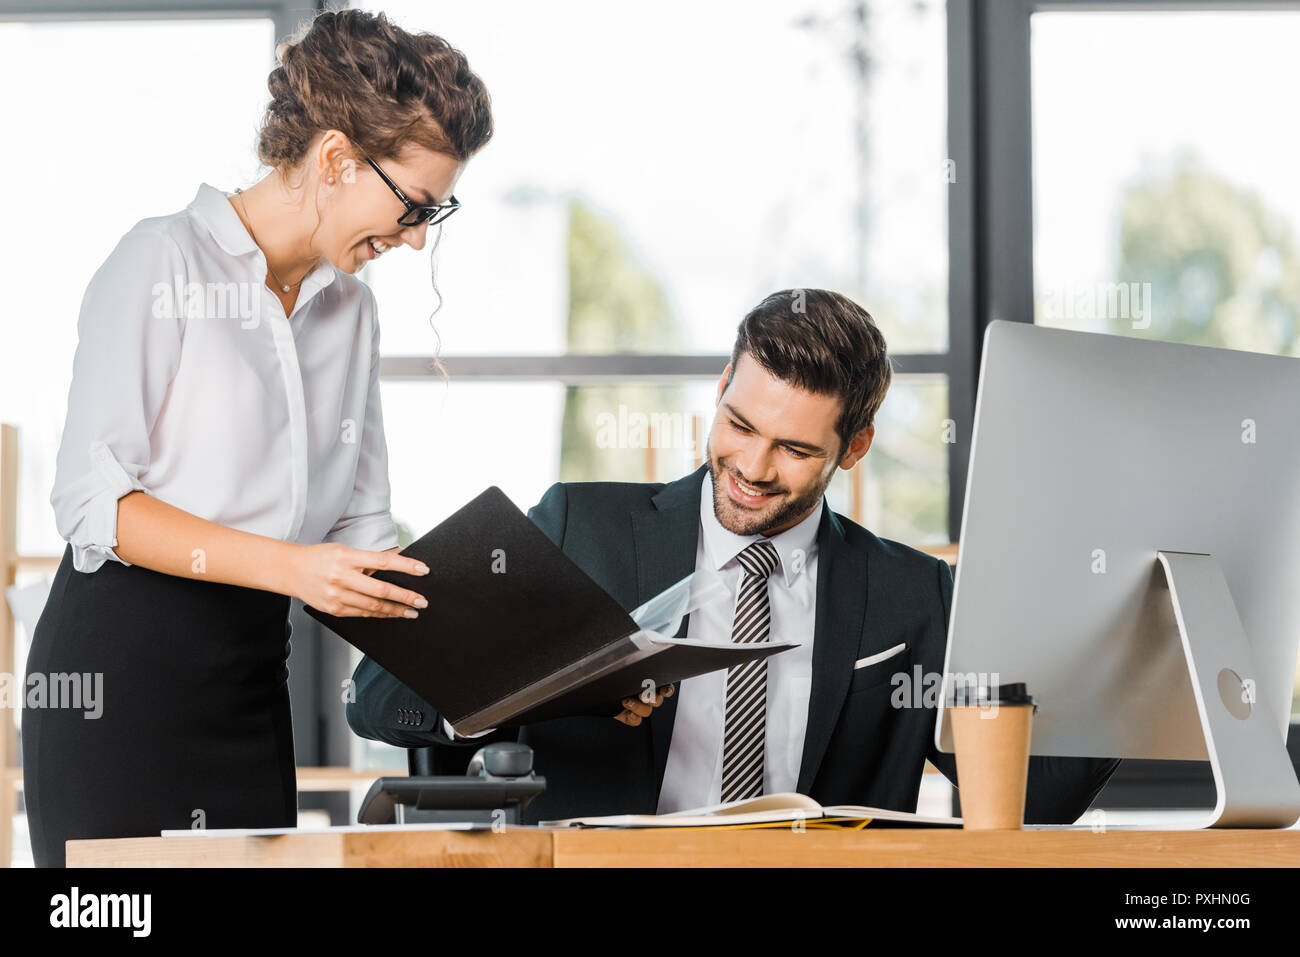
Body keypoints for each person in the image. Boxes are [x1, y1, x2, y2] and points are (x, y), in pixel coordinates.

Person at [346, 289, 1122, 823]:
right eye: (739, 423)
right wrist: (541, 689)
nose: (752, 465)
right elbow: (379, 698)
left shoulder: (915, 594)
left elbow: (1041, 796)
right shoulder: (583, 527)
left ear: (854, 448)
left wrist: (1125, 628)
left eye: (792, 448)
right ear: (721, 385)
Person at [23, 9, 493, 867]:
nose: (418, 235)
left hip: (247, 684)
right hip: (117, 686)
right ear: (336, 159)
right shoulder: (160, 262)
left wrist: (531, 662)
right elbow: (91, 504)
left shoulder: (350, 308)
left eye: (439, 211)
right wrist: (292, 567)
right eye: (414, 205)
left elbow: (358, 533)